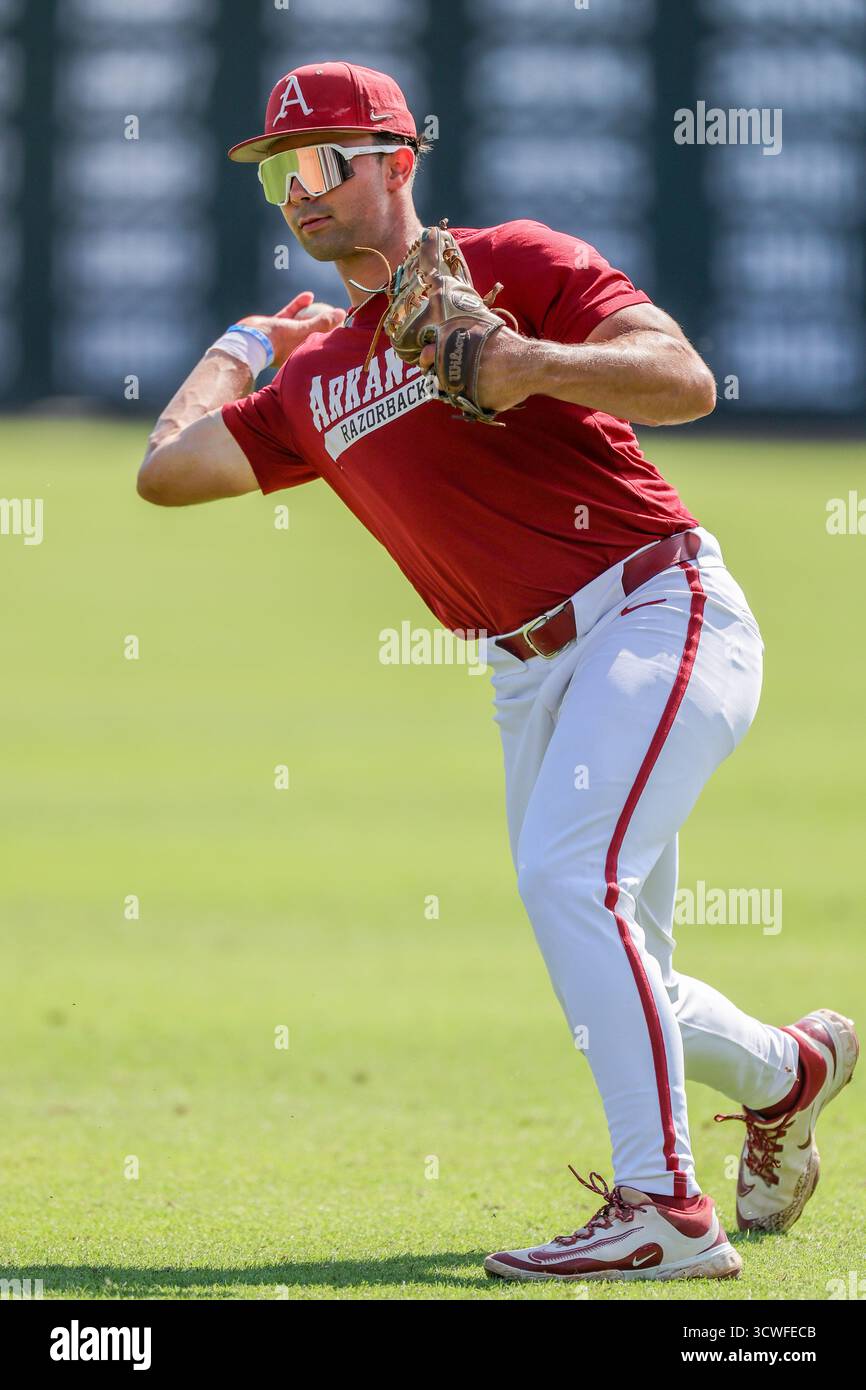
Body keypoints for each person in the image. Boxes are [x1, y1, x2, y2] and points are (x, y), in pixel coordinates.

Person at [138, 62, 858, 1283]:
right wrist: (249, 341)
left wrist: (530, 362)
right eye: (276, 174)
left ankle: (661, 1211)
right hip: (526, 672)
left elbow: (682, 379)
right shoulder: (313, 382)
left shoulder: (509, 264)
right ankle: (788, 1073)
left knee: (569, 880)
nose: (297, 194)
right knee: (617, 962)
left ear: (397, 162)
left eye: (320, 162)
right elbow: (165, 469)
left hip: (654, 609)